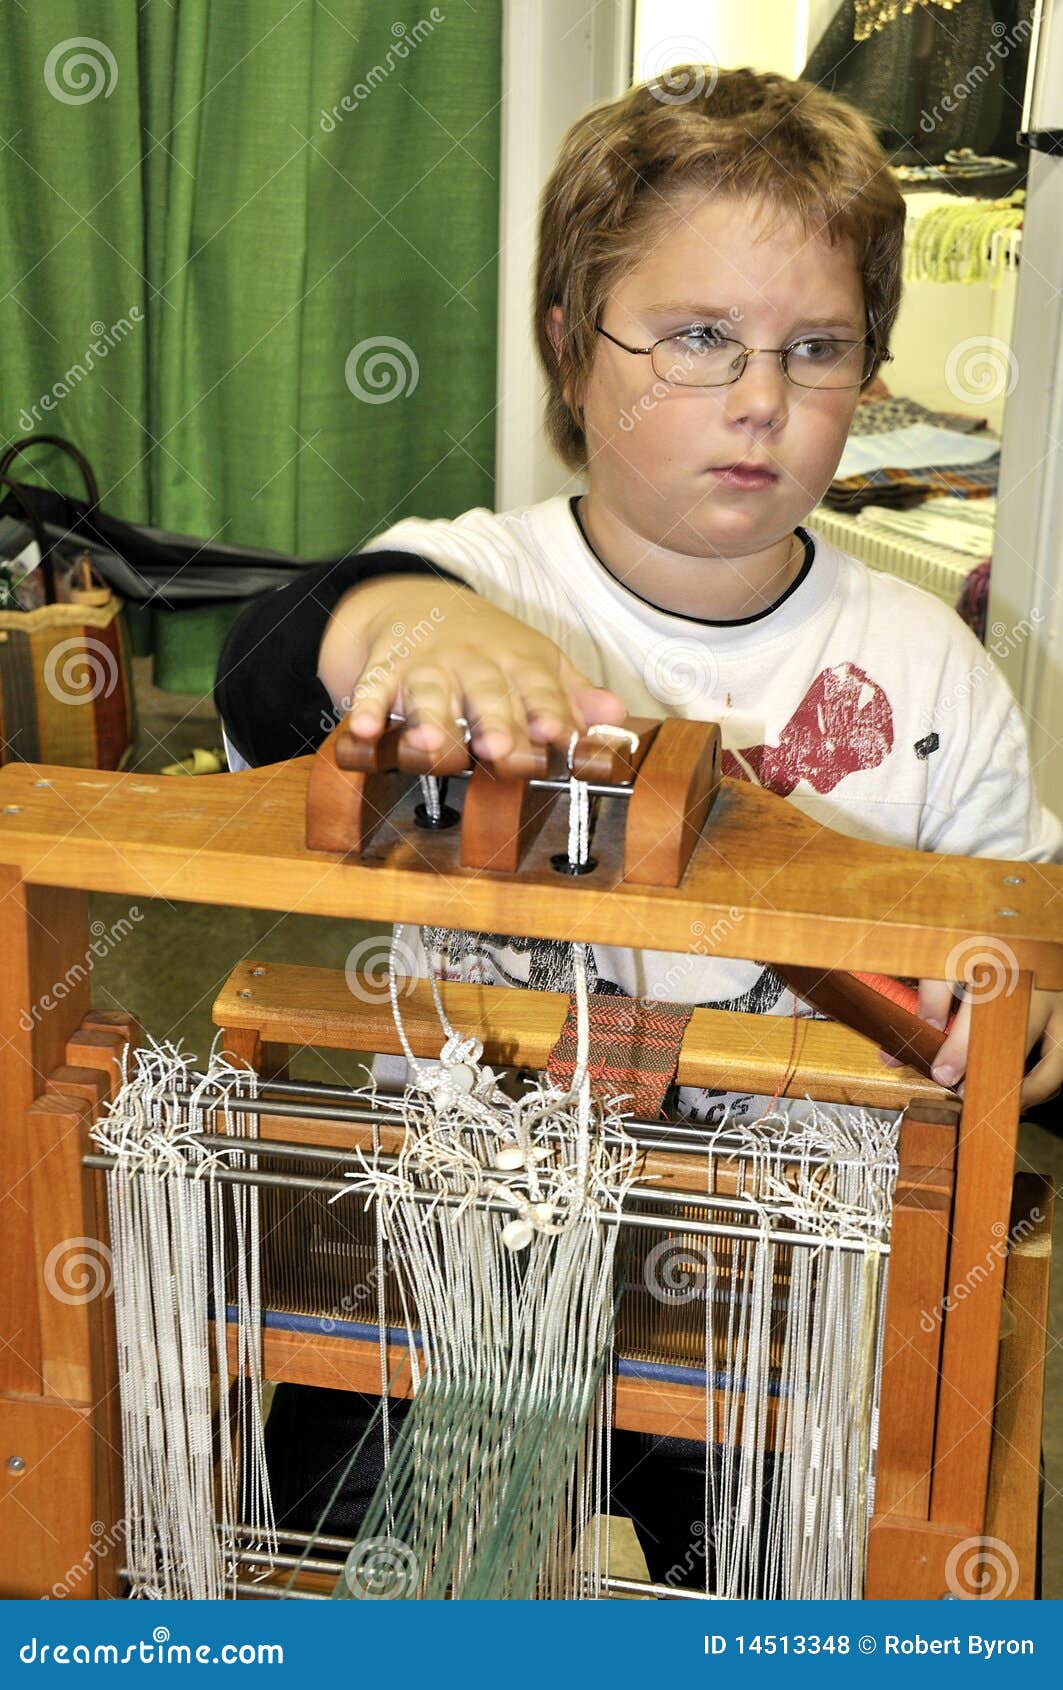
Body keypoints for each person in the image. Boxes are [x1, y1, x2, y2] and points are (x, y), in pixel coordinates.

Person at [215, 65, 1063, 1585]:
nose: (759, 399)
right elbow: (280, 658)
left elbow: (1020, 921)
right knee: (356, 1545)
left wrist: (1036, 998)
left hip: (783, 1265)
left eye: (814, 349)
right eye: (695, 339)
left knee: (796, 1572)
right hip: (471, 1245)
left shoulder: (932, 668)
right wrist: (417, 632)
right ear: (569, 341)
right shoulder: (477, 578)